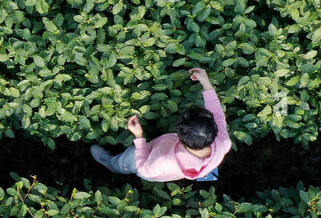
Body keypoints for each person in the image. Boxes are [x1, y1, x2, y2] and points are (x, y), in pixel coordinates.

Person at [90, 68, 231, 182]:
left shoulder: (164, 161)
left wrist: (139, 137)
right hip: (167, 158)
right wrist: (206, 83)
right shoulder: (222, 142)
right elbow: (217, 113)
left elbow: (143, 166)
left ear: (180, 137)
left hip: (150, 165)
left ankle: (110, 164)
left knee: (127, 160)